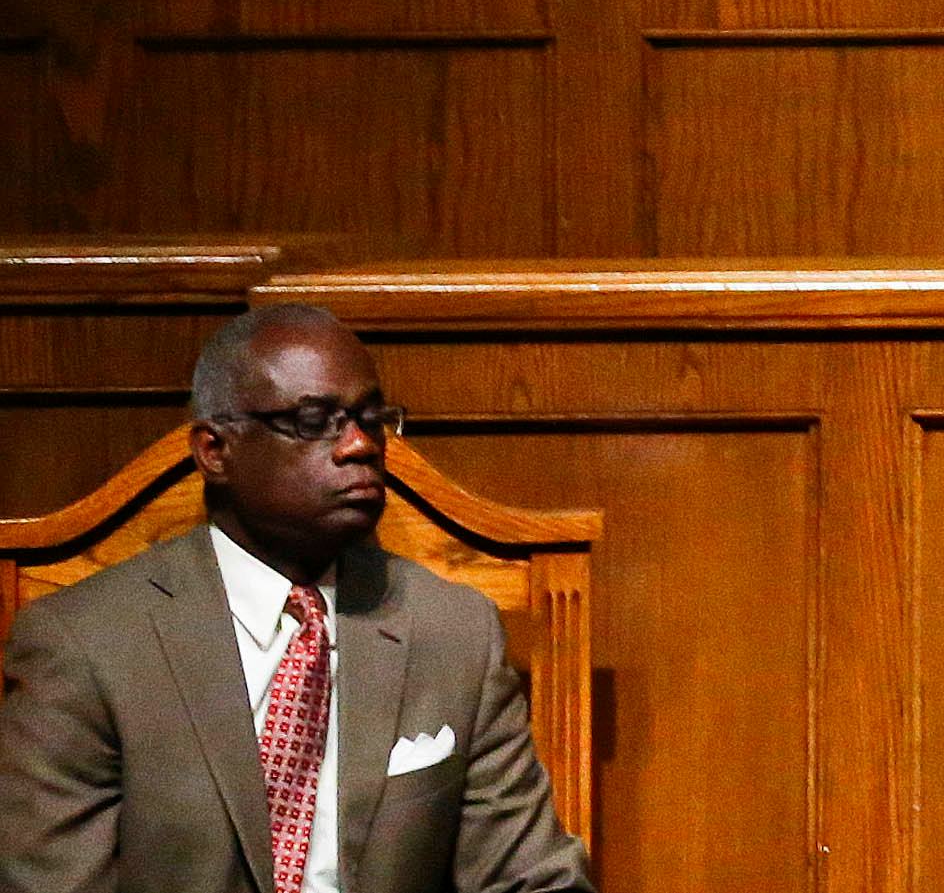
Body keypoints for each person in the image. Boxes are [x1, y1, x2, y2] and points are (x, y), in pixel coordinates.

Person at [0, 303, 590, 893]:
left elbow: (532, 880)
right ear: (215, 450)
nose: (359, 446)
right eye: (314, 421)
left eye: (371, 419)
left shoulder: (454, 632)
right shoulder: (85, 646)